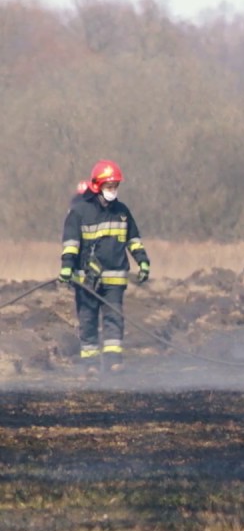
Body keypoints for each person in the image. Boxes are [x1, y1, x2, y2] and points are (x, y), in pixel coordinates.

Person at [59, 160, 151, 374]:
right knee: (88, 321)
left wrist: (143, 261)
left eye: (115, 187)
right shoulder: (79, 212)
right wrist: (67, 267)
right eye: (109, 187)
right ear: (97, 186)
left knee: (114, 320)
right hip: (87, 280)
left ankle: (114, 361)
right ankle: (90, 364)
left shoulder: (122, 211)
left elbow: (133, 239)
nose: (113, 191)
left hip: (115, 280)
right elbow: (71, 243)